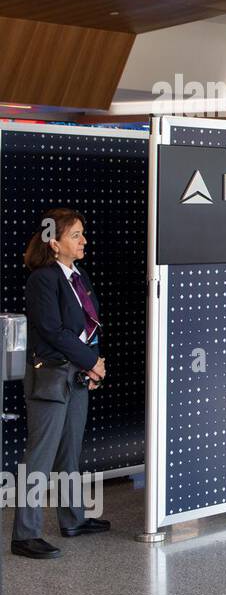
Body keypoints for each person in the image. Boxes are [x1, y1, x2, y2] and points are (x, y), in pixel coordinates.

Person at [11, 209, 109, 559]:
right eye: (76, 235)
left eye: (83, 234)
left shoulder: (77, 275)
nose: (84, 241)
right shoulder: (42, 280)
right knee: (40, 456)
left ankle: (73, 520)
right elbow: (52, 331)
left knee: (69, 451)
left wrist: (94, 365)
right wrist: (89, 362)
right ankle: (25, 535)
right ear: (54, 243)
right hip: (51, 376)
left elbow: (87, 325)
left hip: (78, 375)